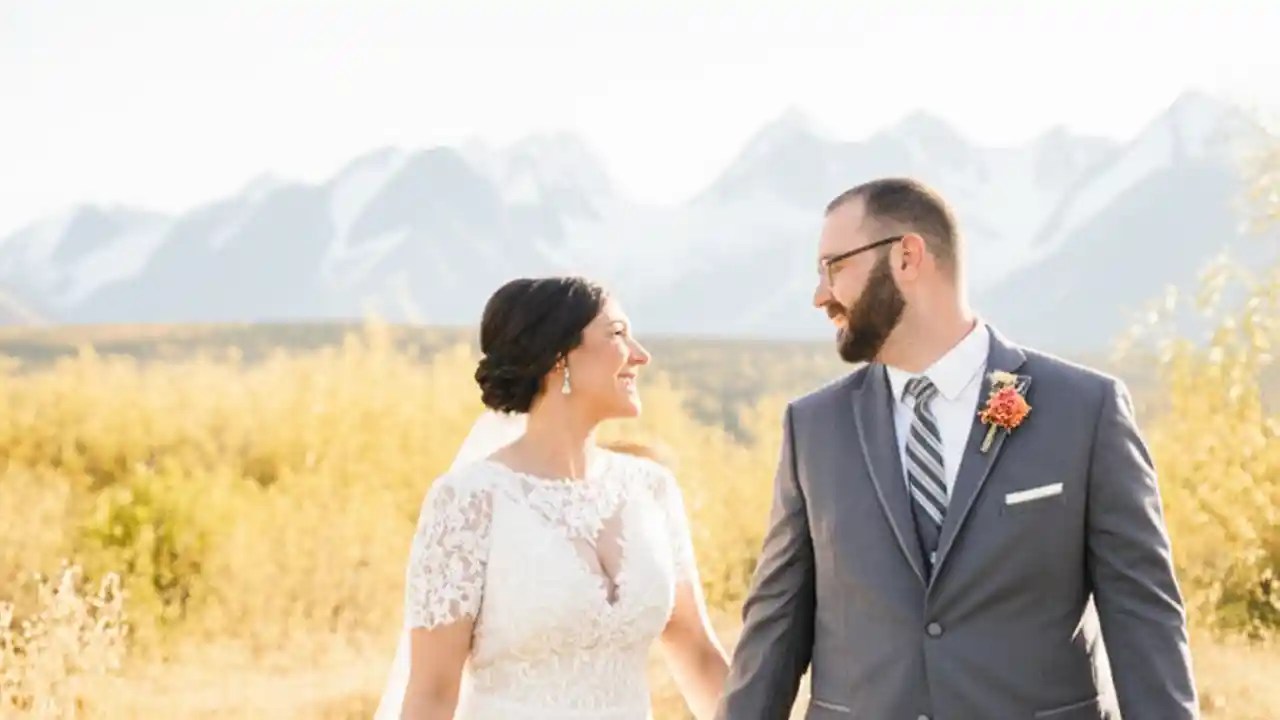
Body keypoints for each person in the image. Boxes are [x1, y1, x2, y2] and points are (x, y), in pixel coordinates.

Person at [715, 178, 1199, 719]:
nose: (821, 295)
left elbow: (1144, 618)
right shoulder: (813, 428)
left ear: (906, 256)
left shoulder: (1086, 411)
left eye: (834, 267)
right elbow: (774, 631)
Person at [375, 276, 729, 719]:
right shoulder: (471, 501)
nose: (641, 354)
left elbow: (696, 651)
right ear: (558, 356)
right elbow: (432, 692)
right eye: (618, 334)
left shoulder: (651, 489)